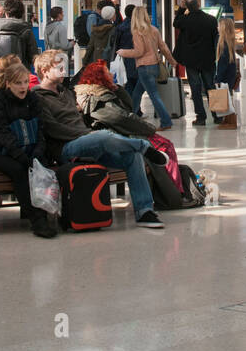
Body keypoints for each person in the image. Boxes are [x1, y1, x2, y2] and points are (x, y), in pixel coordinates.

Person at [32, 49, 168, 229]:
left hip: (87, 143)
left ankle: (144, 211)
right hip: (65, 148)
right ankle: (144, 146)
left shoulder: (66, 92)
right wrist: (86, 135)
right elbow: (52, 128)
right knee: (104, 137)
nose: (63, 71)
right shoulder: (38, 98)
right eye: (58, 67)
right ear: (44, 71)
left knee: (132, 155)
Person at [0, 60, 57, 238]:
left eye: (25, 81)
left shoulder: (32, 98)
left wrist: (38, 151)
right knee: (20, 169)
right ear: (8, 84)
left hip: (29, 147)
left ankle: (47, 214)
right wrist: (19, 154)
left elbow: (40, 127)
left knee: (42, 164)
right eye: (18, 83)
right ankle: (37, 220)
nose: (23, 86)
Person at [116, 8, 176, 130]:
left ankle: (166, 121)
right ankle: (131, 118)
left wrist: (123, 52)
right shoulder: (154, 30)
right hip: (155, 65)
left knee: (153, 95)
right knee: (137, 92)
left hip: (144, 67)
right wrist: (172, 61)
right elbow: (163, 47)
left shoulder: (138, 32)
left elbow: (139, 51)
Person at [173, 0, 217, 126]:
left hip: (191, 60)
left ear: (187, 7)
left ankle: (201, 117)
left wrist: (181, 9)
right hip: (207, 59)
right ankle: (217, 115)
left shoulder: (185, 20)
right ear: (198, 5)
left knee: (195, 88)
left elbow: (176, 23)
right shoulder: (211, 20)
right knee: (210, 87)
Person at [0, 0, 38, 70]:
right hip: (20, 72)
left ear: (5, 12)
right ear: (22, 13)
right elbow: (33, 56)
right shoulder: (26, 30)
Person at [213, 14, 241, 128]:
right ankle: (228, 120)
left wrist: (217, 78)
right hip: (230, 76)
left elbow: (222, 64)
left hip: (225, 77)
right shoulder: (229, 43)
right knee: (228, 97)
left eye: (219, 26)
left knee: (227, 99)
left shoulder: (223, 44)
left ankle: (231, 121)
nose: (217, 28)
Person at [116, 5, 139, 100]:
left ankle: (131, 108)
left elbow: (117, 44)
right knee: (138, 86)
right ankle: (135, 109)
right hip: (137, 57)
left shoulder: (120, 27)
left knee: (129, 84)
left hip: (124, 58)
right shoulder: (138, 27)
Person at [84, 1, 117, 66]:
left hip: (98, 58)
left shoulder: (96, 29)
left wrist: (85, 61)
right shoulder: (114, 29)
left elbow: (90, 46)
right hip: (109, 59)